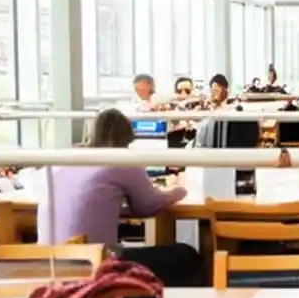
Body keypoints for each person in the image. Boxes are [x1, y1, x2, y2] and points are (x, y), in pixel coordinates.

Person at [37, 109, 199, 286]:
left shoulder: (64, 159)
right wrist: (179, 190)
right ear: (126, 138)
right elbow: (148, 205)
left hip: (48, 263)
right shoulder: (121, 159)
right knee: (185, 255)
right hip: (96, 265)